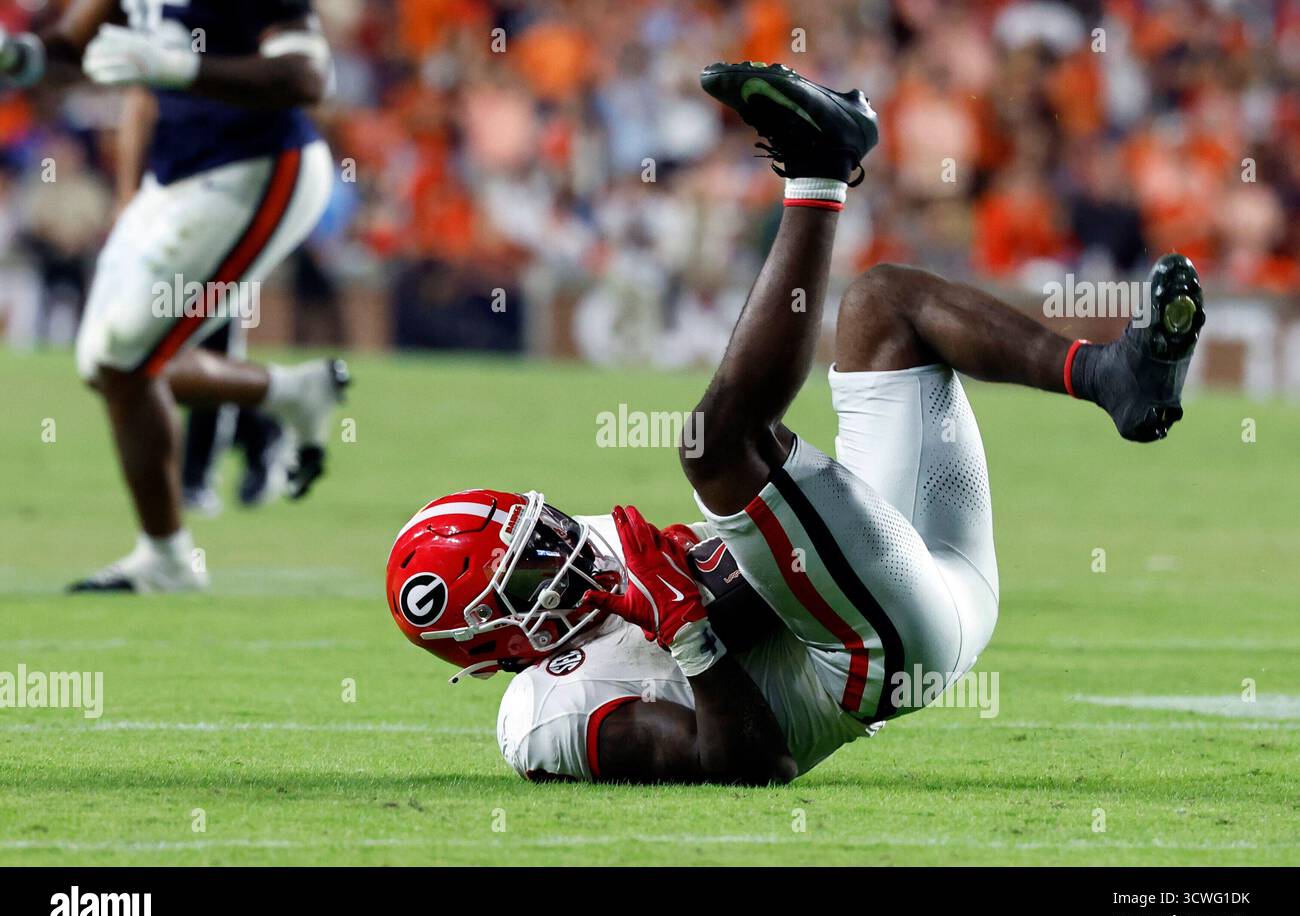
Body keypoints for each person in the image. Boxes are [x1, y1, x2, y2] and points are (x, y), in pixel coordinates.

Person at [384, 62, 1205, 784]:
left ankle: (1110, 376)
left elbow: (757, 575)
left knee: (884, 305)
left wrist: (694, 600)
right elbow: (747, 765)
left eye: (539, 536)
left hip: (910, 569)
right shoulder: (545, 720)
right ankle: (819, 169)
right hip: (872, 656)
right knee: (714, 447)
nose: (559, 556)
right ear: (490, 643)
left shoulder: (590, 548)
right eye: (526, 577)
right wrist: (688, 634)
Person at [0, 0, 349, 593]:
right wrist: (17, 55)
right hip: (177, 175)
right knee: (105, 365)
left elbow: (307, 79)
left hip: (260, 167)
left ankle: (167, 556)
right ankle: (289, 392)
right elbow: (69, 44)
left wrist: (179, 67)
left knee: (123, 358)